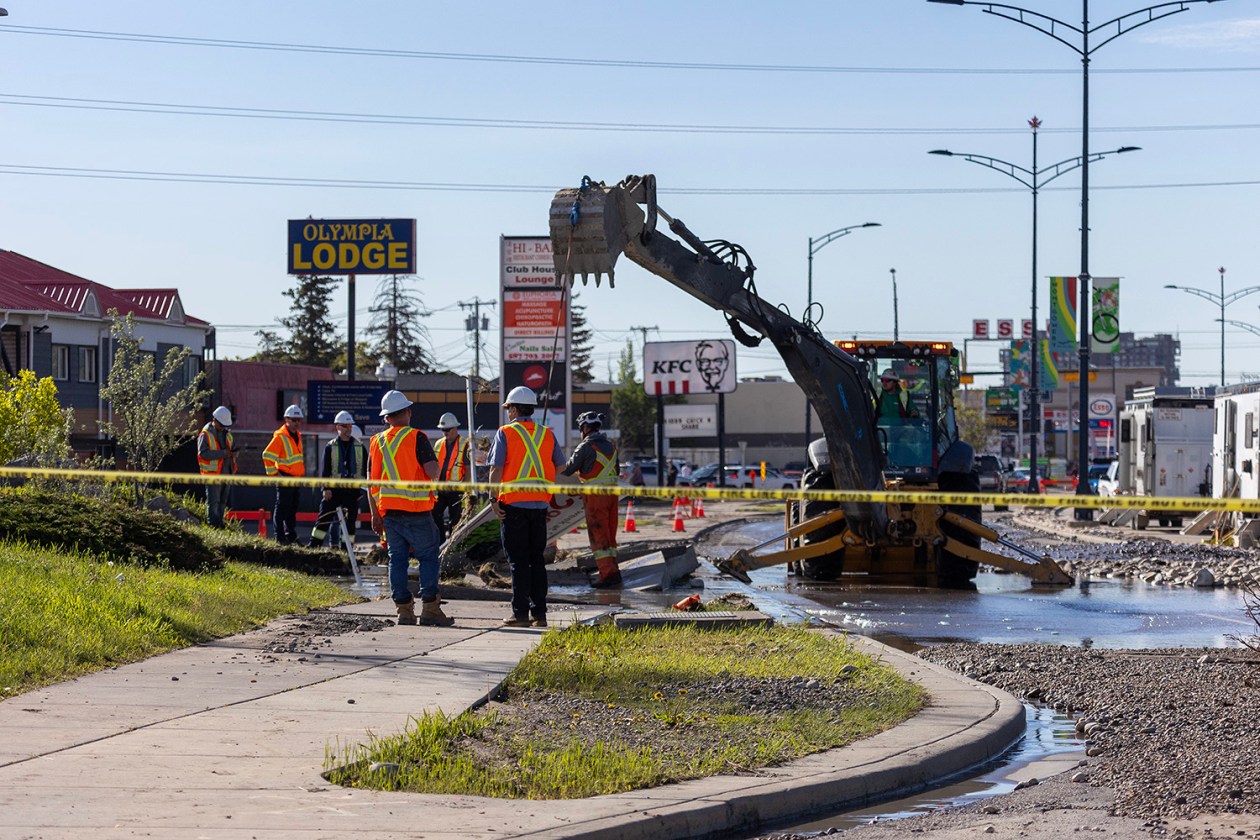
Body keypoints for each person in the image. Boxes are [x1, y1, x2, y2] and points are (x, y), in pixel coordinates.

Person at [368, 389, 453, 627]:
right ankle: (430, 610)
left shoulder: (377, 442)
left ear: (386, 418)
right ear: (407, 412)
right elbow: (433, 471)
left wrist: (376, 514)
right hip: (417, 512)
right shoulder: (417, 437)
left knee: (397, 560)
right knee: (427, 559)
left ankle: (404, 612)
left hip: (390, 514)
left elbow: (371, 483)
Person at [488, 385, 564, 628]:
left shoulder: (505, 433)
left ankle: (519, 614)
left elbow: (495, 469)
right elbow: (561, 468)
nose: (507, 412)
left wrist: (492, 499)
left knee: (518, 561)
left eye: (508, 407)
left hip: (513, 505)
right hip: (540, 505)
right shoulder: (546, 434)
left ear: (514, 408)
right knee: (537, 560)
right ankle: (539, 614)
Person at [560, 411, 621, 588]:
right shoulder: (611, 446)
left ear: (586, 428)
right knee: (609, 533)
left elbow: (567, 470)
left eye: (581, 429)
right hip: (612, 495)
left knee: (598, 533)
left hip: (595, 497)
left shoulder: (585, 447)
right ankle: (613, 571)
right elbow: (616, 470)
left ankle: (607, 574)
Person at [308, 410, 368, 548]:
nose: (348, 429)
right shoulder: (331, 446)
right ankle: (313, 546)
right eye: (345, 426)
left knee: (350, 523)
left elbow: (366, 471)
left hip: (352, 492)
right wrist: (326, 488)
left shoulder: (359, 447)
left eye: (350, 426)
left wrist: (362, 491)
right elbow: (325, 470)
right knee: (324, 518)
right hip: (333, 491)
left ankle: (346, 551)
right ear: (338, 427)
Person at [262, 404, 305, 544]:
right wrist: (274, 475)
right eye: (293, 420)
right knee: (282, 508)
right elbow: (267, 455)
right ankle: (280, 537)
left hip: (295, 478)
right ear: (286, 419)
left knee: (292, 509)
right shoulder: (281, 437)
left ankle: (290, 535)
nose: (296, 422)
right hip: (285, 476)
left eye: (298, 420)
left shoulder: (297, 436)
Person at [431, 411, 471, 543]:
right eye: (443, 430)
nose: (445, 432)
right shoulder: (438, 444)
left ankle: (453, 544)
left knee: (456, 520)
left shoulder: (465, 444)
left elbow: (469, 469)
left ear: (455, 428)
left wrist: (465, 489)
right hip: (440, 489)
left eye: (447, 429)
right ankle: (442, 543)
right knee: (434, 514)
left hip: (456, 490)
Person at [197, 405, 237, 528]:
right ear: (214, 420)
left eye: (225, 425)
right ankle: (212, 525)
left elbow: (232, 449)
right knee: (213, 502)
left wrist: (233, 454)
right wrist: (224, 453)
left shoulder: (227, 434)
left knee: (223, 501)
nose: (222, 428)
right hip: (213, 474)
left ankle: (220, 523)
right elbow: (203, 454)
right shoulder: (205, 434)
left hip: (226, 472)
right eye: (221, 425)